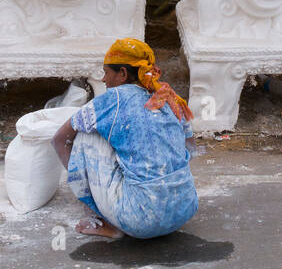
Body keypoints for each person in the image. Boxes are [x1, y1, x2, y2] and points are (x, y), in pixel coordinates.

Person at [52, 38, 198, 239]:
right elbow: (191, 148)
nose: (103, 80)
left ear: (122, 74)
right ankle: (161, 202)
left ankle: (104, 220)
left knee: (84, 134)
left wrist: (85, 192)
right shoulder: (166, 95)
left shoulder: (113, 99)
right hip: (184, 210)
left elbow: (59, 139)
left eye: (106, 72)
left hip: (139, 221)